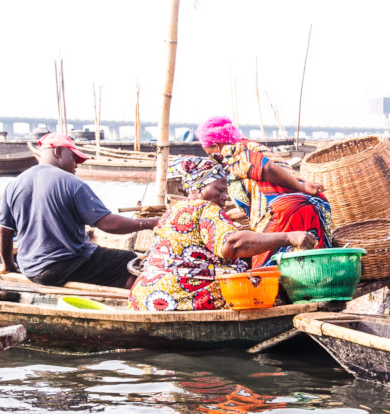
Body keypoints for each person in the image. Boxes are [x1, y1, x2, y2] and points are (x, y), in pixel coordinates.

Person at [129, 157, 314, 311]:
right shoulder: (205, 208)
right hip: (177, 296)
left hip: (145, 295)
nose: (225, 196)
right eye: (220, 190)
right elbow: (232, 245)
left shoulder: (174, 209)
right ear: (199, 188)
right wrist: (289, 237)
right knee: (273, 296)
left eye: (226, 191)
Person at [0, 134, 159, 288]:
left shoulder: (13, 185)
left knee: (101, 257)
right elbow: (109, 224)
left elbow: (2, 233)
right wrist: (151, 223)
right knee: (130, 261)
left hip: (31, 269)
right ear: (57, 151)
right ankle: (134, 300)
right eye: (74, 158)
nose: (77, 164)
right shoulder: (72, 183)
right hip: (62, 266)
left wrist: (8, 266)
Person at [196, 116, 331, 269]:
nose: (211, 157)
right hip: (312, 207)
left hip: (283, 216)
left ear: (215, 146)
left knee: (265, 271)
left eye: (209, 152)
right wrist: (229, 214)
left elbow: (267, 168)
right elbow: (262, 197)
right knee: (312, 268)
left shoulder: (231, 151)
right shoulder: (253, 146)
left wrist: (301, 186)